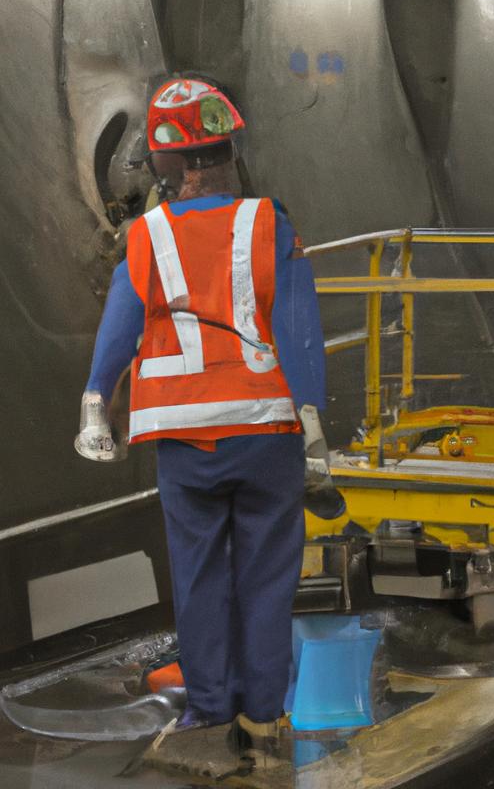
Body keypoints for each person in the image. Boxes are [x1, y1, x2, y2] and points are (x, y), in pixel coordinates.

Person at [74, 77, 342, 742]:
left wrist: (94, 405)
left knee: (198, 578)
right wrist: (314, 432)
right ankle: (265, 715)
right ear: (228, 150)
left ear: (169, 162)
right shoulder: (268, 223)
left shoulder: (147, 236)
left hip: (183, 440)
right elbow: (299, 329)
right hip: (265, 433)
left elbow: (119, 328)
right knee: (266, 578)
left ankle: (209, 710)